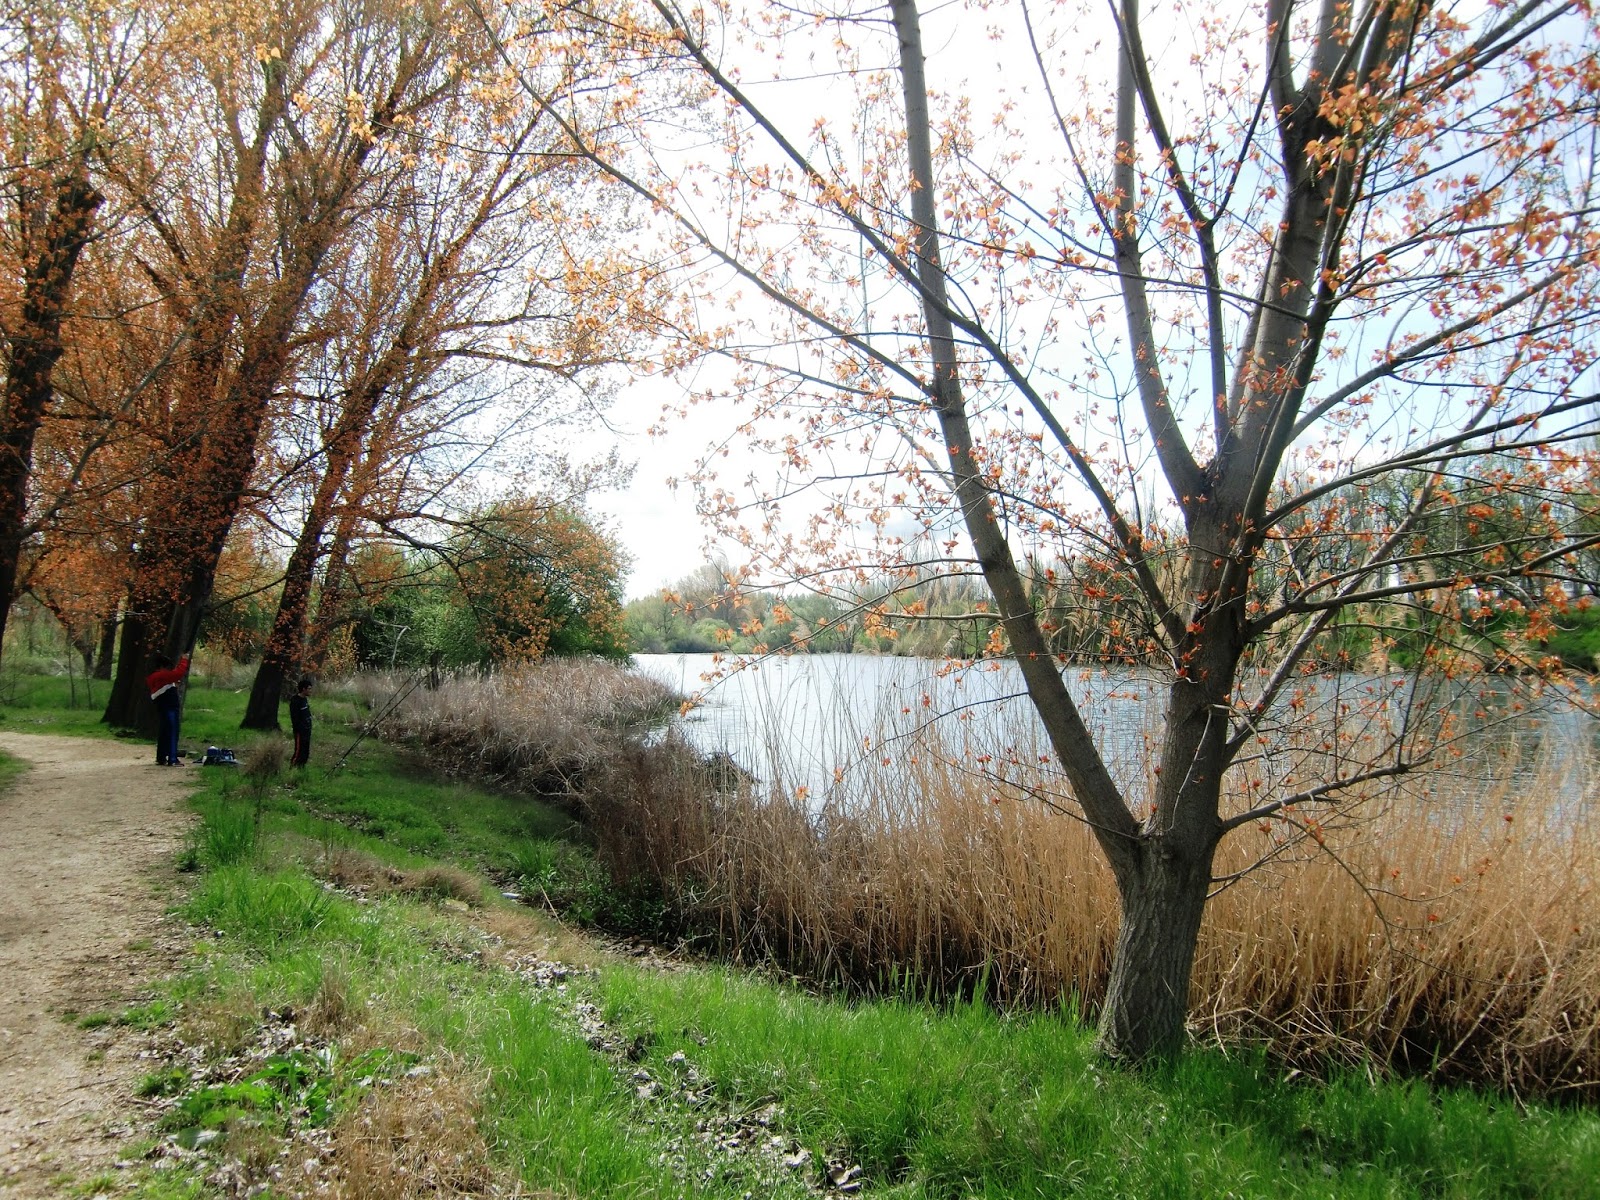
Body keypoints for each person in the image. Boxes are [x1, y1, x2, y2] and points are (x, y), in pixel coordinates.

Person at [146, 653, 190, 766]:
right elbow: (178, 673)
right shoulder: (163, 676)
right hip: (170, 707)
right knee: (172, 731)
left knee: (164, 731)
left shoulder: (154, 677)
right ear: (162, 666)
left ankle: (161, 757)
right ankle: (172, 758)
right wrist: (184, 660)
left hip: (162, 707)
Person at [289, 676, 313, 767]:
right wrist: (300, 728)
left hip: (307, 730)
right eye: (309, 689)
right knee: (299, 750)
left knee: (305, 751)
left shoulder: (304, 700)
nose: (310, 691)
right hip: (300, 731)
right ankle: (293, 767)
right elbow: (295, 718)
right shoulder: (295, 701)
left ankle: (301, 767)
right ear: (303, 689)